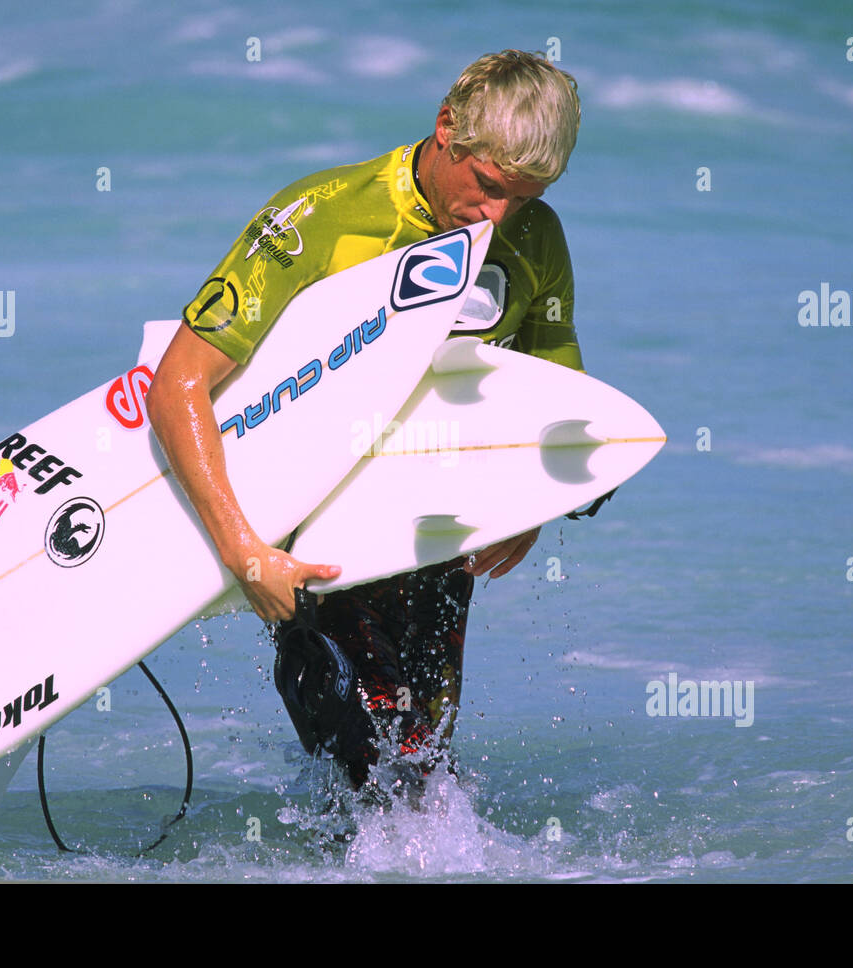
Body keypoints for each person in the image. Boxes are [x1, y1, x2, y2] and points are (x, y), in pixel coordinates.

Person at [147, 49, 584, 794]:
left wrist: (531, 508)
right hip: (317, 537)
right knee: (367, 765)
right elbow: (177, 384)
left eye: (526, 196)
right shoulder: (322, 217)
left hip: (437, 533)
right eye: (488, 185)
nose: (499, 215)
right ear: (447, 128)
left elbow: (555, 398)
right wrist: (244, 551)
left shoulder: (535, 237)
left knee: (421, 771)